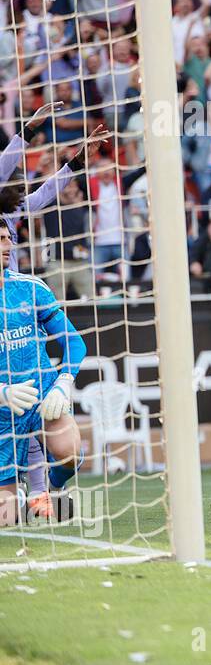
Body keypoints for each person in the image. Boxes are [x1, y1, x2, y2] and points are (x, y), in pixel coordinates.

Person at [0, 222, 86, 526]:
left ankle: (53, 487)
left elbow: (74, 342)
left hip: (42, 394)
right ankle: (19, 493)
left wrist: (63, 383)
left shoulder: (30, 287)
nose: (8, 245)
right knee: (6, 518)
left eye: (8, 238)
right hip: (1, 410)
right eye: (0, 239)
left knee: (70, 453)